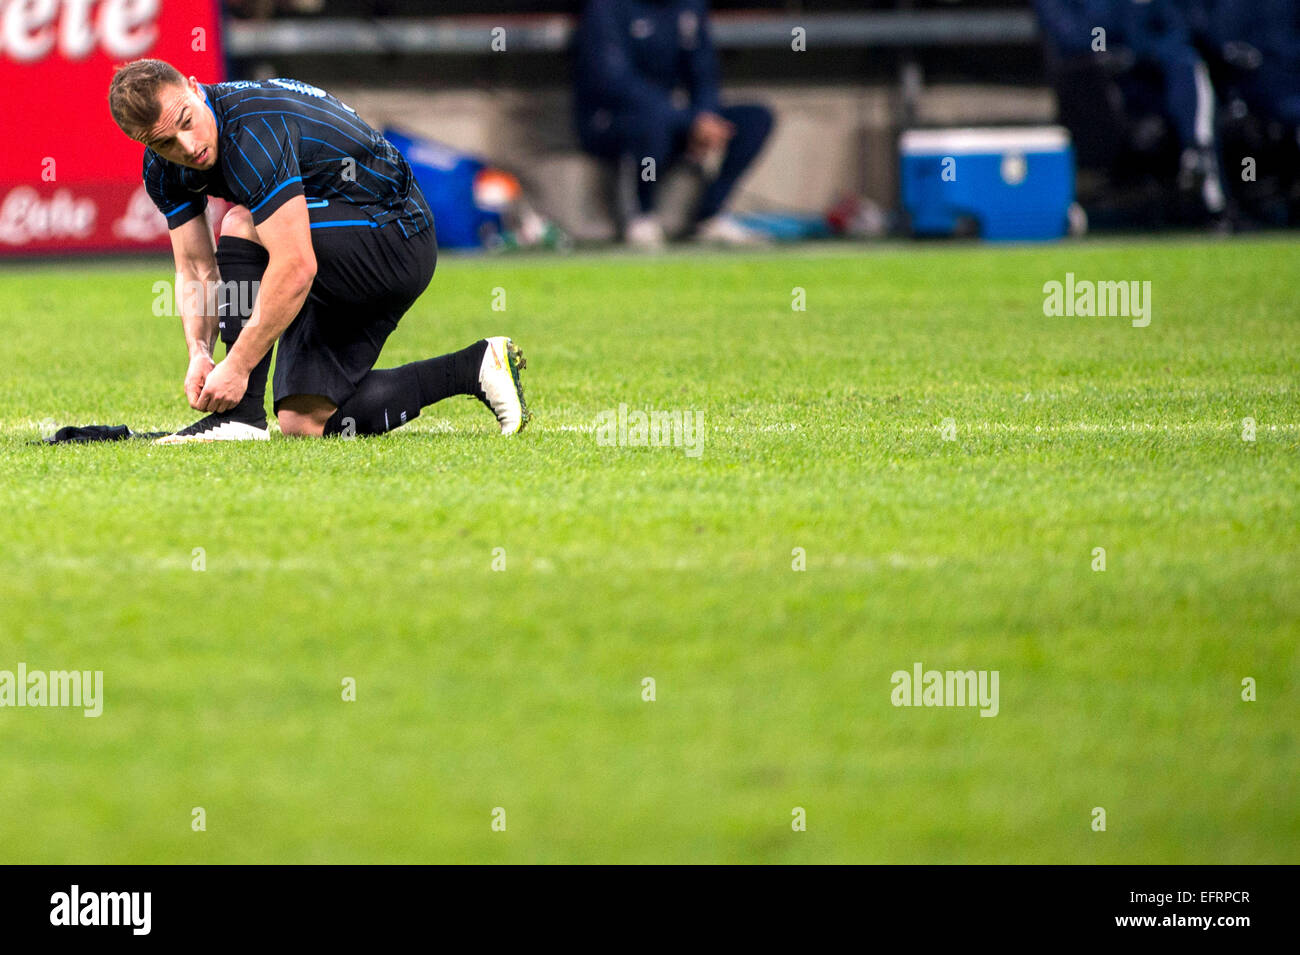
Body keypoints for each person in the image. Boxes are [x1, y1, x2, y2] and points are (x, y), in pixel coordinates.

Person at [108, 59, 529, 443]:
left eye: (186, 121)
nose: (186, 146)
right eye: (164, 143)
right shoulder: (164, 170)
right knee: (305, 421)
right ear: (144, 142)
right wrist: (199, 352)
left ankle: (240, 416)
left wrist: (235, 368)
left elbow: (295, 267)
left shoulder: (253, 132)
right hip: (340, 245)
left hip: (396, 236)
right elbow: (196, 268)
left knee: (240, 223)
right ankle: (475, 367)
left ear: (196, 89)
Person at [572, 0, 774, 249]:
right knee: (651, 124)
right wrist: (689, 121)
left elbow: (704, 74)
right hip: (609, 120)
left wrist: (704, 116)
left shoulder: (690, 7)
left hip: (676, 117)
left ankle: (710, 215)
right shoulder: (607, 7)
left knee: (755, 119)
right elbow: (613, 81)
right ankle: (642, 215)